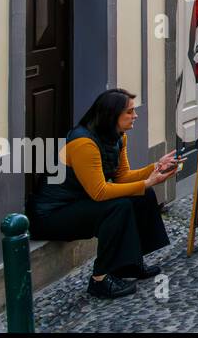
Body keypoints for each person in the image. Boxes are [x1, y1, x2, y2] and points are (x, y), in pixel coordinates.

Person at [27, 89, 178, 300]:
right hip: (51, 215)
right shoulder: (83, 143)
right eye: (129, 112)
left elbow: (123, 176)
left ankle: (129, 265)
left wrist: (155, 167)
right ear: (111, 115)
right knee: (118, 206)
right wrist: (146, 181)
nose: (135, 115)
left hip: (79, 203)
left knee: (143, 195)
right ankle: (100, 280)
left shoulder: (117, 137)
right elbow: (99, 192)